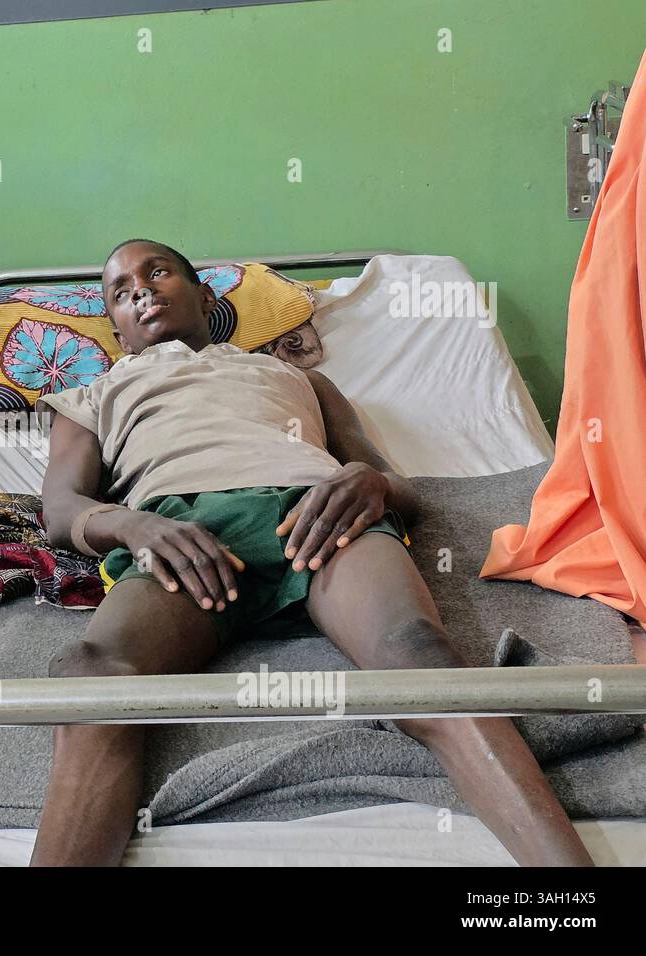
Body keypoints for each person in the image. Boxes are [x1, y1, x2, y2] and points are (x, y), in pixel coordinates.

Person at [31, 238, 594, 867]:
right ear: (115, 324)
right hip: (182, 529)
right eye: (120, 289)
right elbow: (61, 510)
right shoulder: (91, 396)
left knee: (421, 657)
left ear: (204, 295)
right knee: (90, 676)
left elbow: (395, 483)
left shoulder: (297, 377)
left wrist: (372, 483)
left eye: (157, 271)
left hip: (316, 512)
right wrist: (135, 528)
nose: (140, 288)